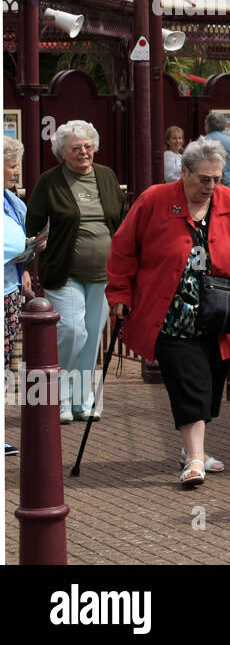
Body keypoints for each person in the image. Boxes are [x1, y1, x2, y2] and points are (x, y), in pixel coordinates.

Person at [106, 139, 230, 487]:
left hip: (219, 312)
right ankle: (194, 460)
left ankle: (194, 448)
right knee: (189, 383)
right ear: (184, 171)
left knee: (211, 384)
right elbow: (123, 249)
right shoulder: (155, 200)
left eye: (217, 179)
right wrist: (119, 293)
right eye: (204, 179)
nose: (211, 186)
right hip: (172, 313)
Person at [25, 120, 125, 422]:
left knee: (92, 336)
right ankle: (60, 396)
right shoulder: (50, 181)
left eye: (87, 146)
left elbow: (119, 221)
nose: (83, 152)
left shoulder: (106, 177)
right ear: (62, 153)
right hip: (64, 271)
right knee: (71, 331)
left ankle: (83, 400)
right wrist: (30, 258)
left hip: (103, 274)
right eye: (76, 148)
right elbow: (33, 224)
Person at [5, 137, 45, 454]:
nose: (17, 172)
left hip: (10, 293)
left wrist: (29, 252)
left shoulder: (13, 202)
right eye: (12, 165)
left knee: (4, 364)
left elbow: (20, 243)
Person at [204, 111, 230, 189]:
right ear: (224, 126)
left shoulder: (199, 143)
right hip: (229, 188)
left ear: (207, 126)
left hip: (205, 187)